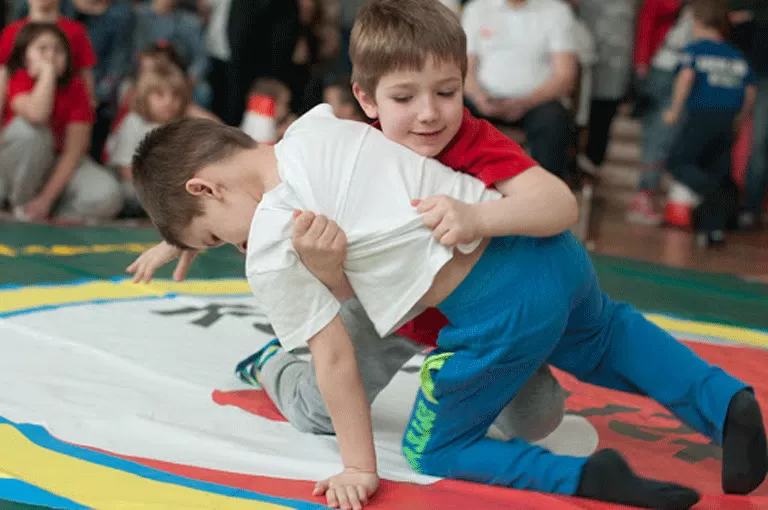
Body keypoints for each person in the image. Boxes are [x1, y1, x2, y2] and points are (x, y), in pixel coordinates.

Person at [0, 22, 122, 221]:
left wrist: (46, 199)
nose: (50, 55)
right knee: (29, 132)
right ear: (25, 57)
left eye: (58, 50)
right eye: (42, 49)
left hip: (58, 165)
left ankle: (48, 214)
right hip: (17, 166)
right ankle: (20, 206)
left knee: (107, 195)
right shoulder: (19, 79)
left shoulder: (77, 88)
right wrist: (47, 74)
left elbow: (73, 151)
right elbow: (37, 114)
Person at [665, 0, 757, 246]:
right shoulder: (736, 55)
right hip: (727, 119)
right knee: (718, 168)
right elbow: (749, 91)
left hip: (701, 117)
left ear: (696, 22)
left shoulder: (695, 49)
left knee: (678, 161)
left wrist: (674, 109)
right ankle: (714, 231)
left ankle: (712, 192)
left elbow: (686, 76)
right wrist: (739, 119)